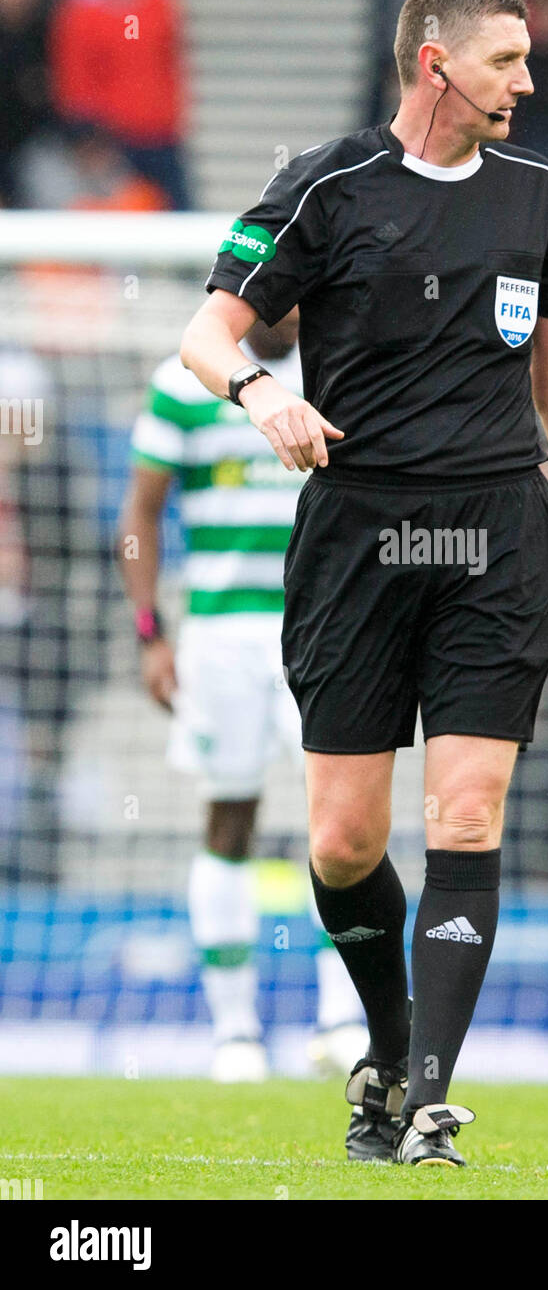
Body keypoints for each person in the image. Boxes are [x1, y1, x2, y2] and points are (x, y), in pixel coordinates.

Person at [180, 0, 548, 1166]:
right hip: (356, 540)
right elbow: (203, 332)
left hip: (494, 537)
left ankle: (429, 1096)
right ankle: (386, 1050)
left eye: (528, 60)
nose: (525, 84)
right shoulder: (327, 187)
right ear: (433, 63)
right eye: (504, 63)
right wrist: (261, 391)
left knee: (466, 813)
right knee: (340, 842)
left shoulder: (539, 197)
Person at [119, 309, 366, 1082]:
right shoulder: (183, 380)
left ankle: (339, 1023)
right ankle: (234, 1035)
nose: (297, 310)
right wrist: (151, 632)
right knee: (230, 816)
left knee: (343, 821)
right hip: (222, 634)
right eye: (284, 295)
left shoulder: (341, 369)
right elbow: (141, 514)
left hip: (326, 627)